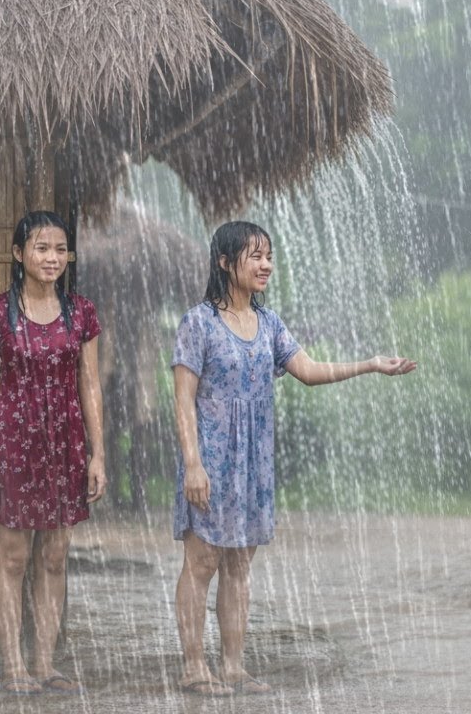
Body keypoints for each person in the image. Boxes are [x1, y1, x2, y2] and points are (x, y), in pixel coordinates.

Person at [171, 221, 416, 698]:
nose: (266, 265)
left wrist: (369, 364)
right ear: (225, 262)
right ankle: (193, 667)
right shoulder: (197, 322)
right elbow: (183, 400)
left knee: (240, 565)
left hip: (253, 461)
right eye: (255, 256)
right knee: (201, 562)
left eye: (269, 256)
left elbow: (309, 370)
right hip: (211, 458)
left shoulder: (270, 324)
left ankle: (234, 667)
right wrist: (192, 463)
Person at [0, 211, 106, 695]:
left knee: (55, 555)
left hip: (65, 444)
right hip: (12, 442)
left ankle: (45, 664)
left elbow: (90, 386)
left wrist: (98, 454)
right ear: (19, 254)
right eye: (41, 248)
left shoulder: (81, 312)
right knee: (11, 557)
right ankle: (13, 666)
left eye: (60, 249)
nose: (52, 258)